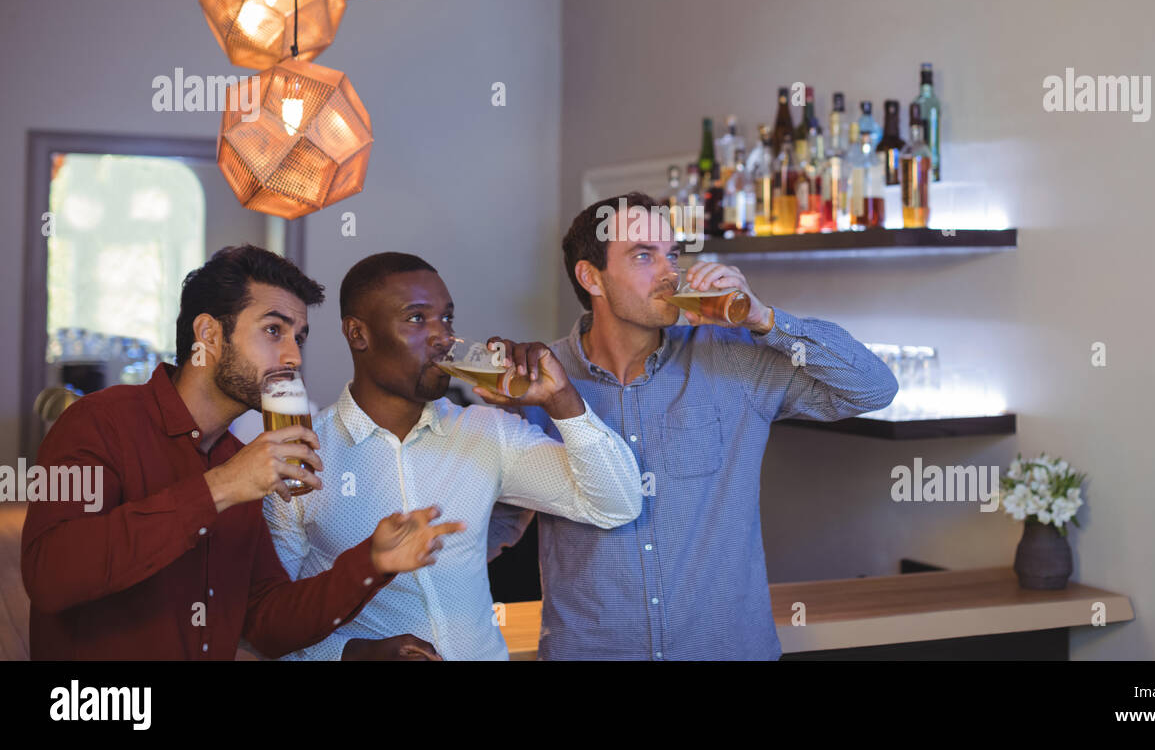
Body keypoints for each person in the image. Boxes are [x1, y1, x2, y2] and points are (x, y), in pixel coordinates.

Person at [487, 192, 899, 659]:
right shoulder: (543, 381)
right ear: (591, 277)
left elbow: (872, 388)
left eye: (673, 254)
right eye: (644, 256)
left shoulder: (733, 357)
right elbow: (498, 520)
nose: (669, 272)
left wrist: (764, 319)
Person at [21, 244, 461, 660]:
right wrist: (221, 487)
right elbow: (50, 577)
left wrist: (371, 562)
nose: (293, 356)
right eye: (274, 330)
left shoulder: (237, 458)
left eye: (299, 338)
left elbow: (266, 622)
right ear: (209, 334)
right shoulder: (99, 422)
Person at [263, 252, 642, 661]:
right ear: (358, 334)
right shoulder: (299, 453)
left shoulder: (487, 432)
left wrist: (561, 399)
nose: (443, 337)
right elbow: (272, 621)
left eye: (447, 319)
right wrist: (352, 654)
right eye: (416, 319)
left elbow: (616, 504)